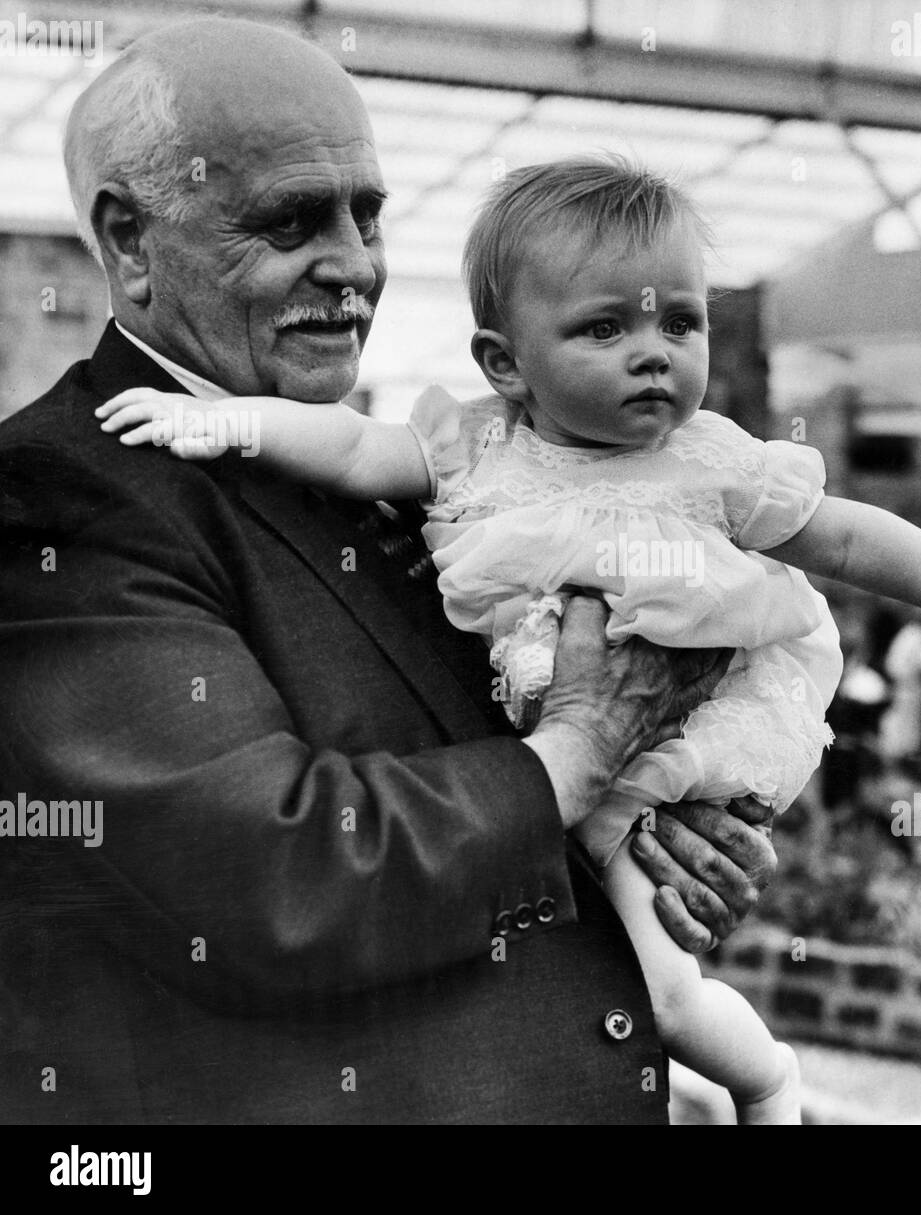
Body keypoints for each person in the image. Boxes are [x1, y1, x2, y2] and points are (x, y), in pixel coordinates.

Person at [98, 158, 921, 1123]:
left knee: (656, 983)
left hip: (679, 748)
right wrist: (219, 423)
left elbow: (847, 534)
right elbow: (346, 445)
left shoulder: (714, 463)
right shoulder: (470, 448)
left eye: (678, 322)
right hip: (540, 769)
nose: (652, 353)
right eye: (604, 328)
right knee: (600, 958)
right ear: (504, 363)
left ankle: (766, 1085)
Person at [0, 19, 778, 1126]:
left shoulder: (383, 467)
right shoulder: (55, 492)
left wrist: (665, 826)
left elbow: (505, 752)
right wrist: (580, 752)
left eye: (366, 215)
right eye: (289, 222)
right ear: (131, 244)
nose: (355, 265)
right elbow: (274, 877)